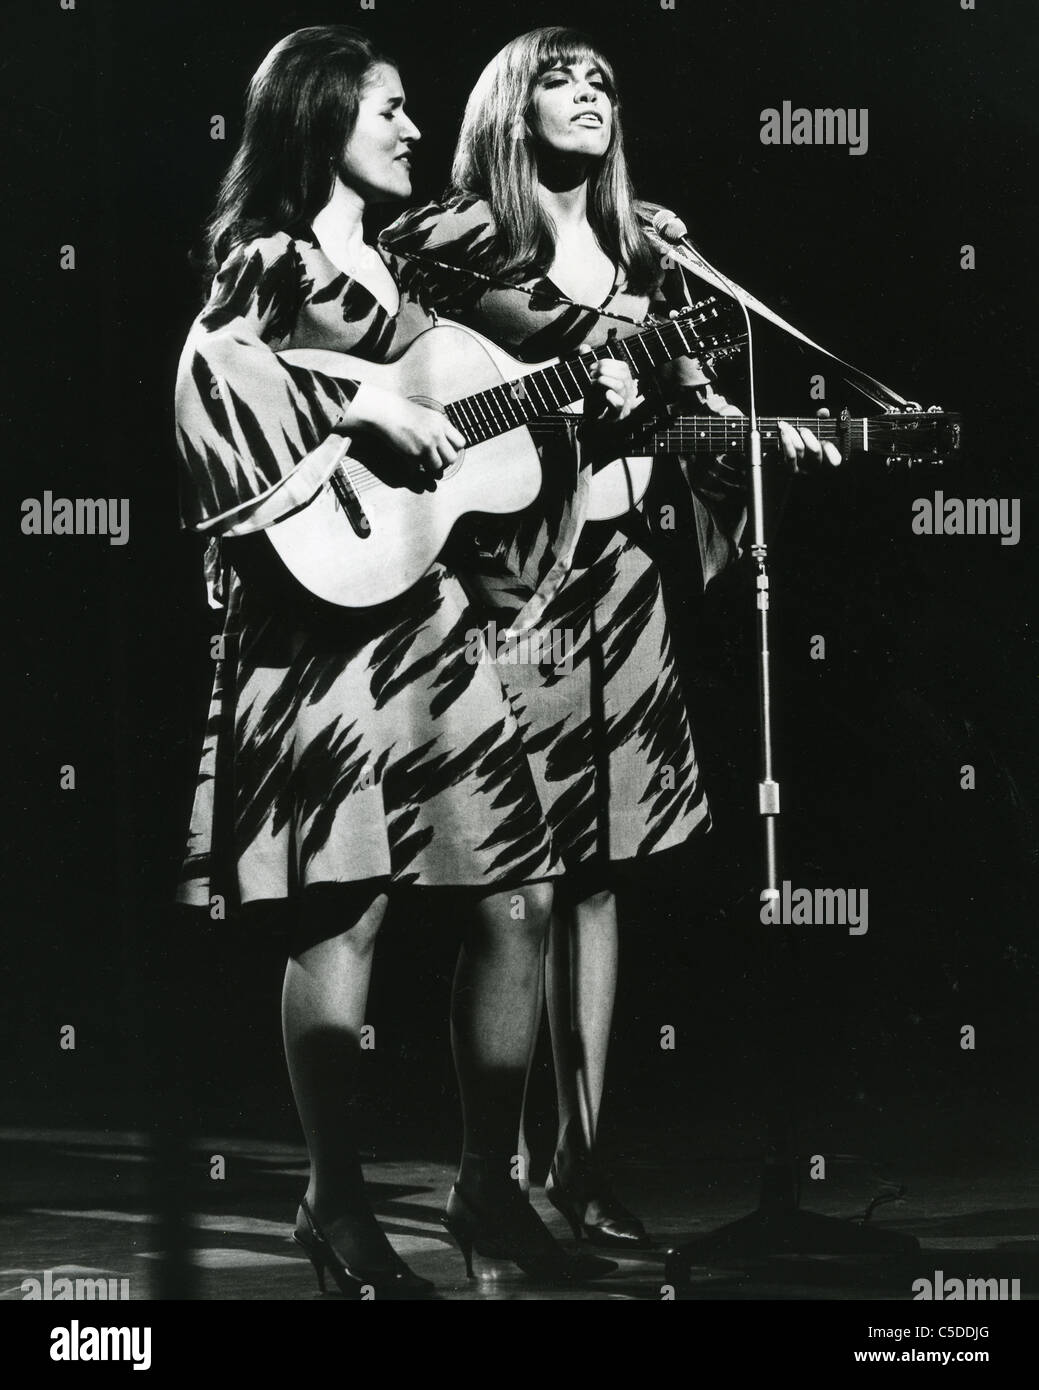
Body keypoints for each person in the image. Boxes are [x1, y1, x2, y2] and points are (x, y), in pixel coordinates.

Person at [173, 25, 614, 1293]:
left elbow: (485, 406)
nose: (416, 130)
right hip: (311, 621)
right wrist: (356, 402)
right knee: (343, 910)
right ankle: (335, 1202)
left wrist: (594, 399)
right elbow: (215, 373)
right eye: (389, 110)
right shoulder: (267, 261)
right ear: (320, 122)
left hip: (421, 612)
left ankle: (485, 1189)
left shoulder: (415, 272)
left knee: (515, 891)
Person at [383, 25, 840, 1247]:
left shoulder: (653, 249)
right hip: (506, 593)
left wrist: (754, 440)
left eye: (603, 82)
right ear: (507, 104)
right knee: (517, 885)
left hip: (624, 581)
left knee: (598, 878)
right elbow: (538, 348)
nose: (587, 92)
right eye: (559, 77)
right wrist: (619, 356)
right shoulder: (454, 231)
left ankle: (573, 1167)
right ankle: (486, 1175)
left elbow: (682, 408)